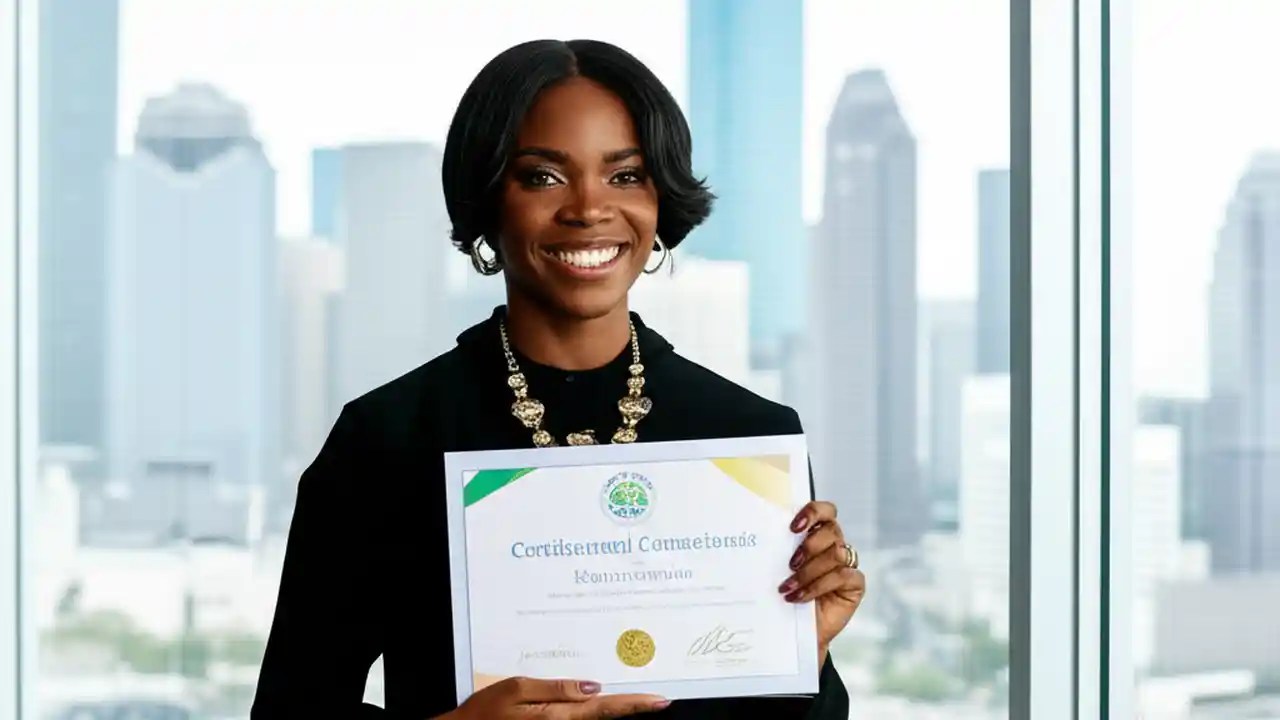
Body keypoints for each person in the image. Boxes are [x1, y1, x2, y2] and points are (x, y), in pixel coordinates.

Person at [251, 38, 866, 720]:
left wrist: (797, 652)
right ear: (487, 200)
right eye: (543, 177)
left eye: (625, 175)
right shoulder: (388, 440)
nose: (588, 208)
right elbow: (288, 711)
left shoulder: (749, 439)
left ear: (660, 198)